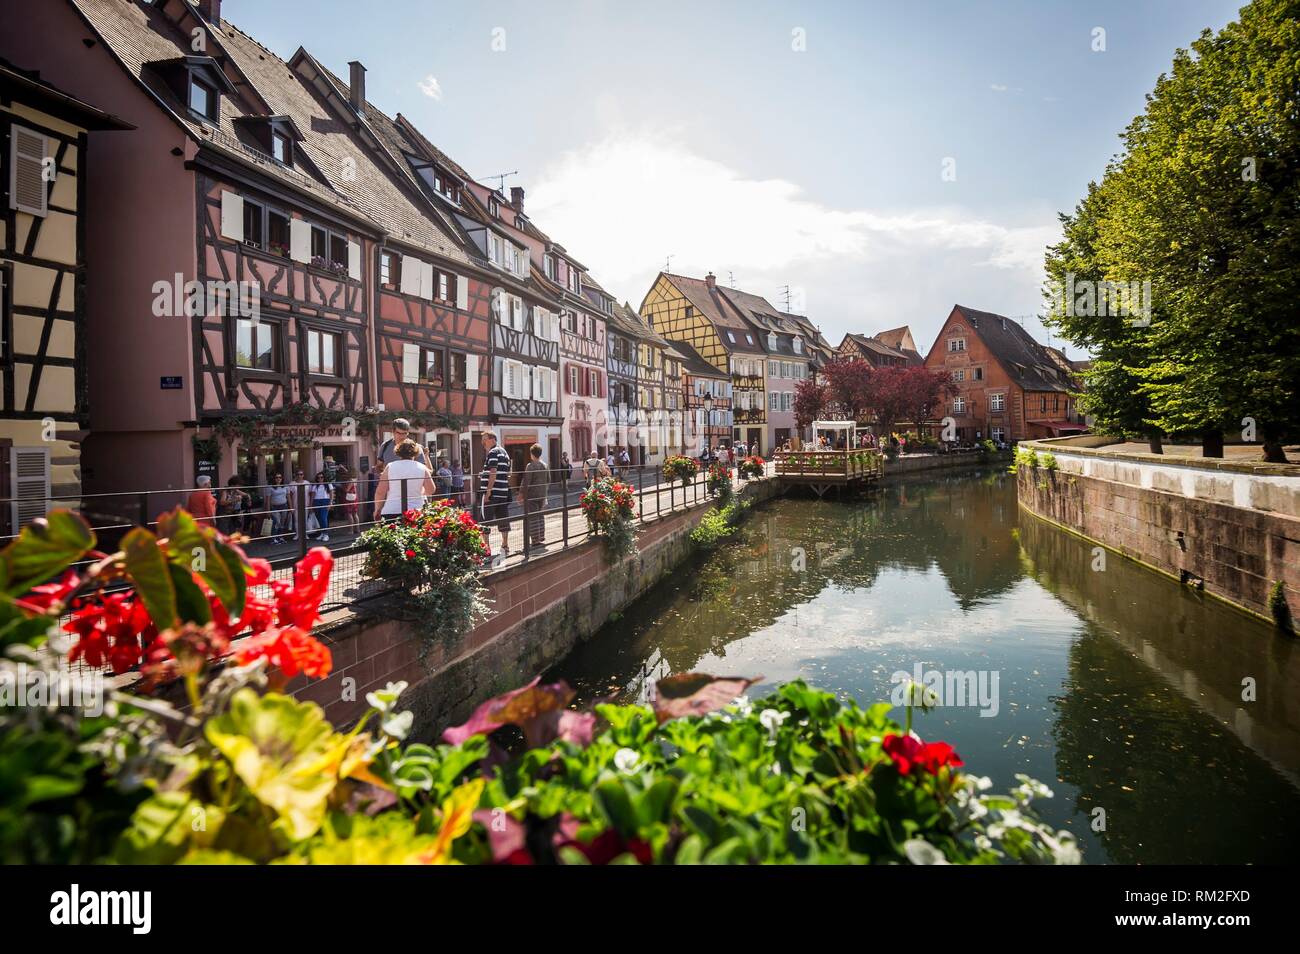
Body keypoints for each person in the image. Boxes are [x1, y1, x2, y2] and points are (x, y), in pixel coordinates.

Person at [373, 439, 436, 519]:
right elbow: (431, 490)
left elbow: (380, 492)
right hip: (416, 510)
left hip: (392, 510)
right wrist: (420, 491)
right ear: (416, 452)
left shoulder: (390, 466)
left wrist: (377, 509)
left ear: (398, 451)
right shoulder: (422, 467)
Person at [479, 432, 513, 556]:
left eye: (484, 439)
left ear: (492, 439)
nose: (483, 442)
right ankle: (505, 545)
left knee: (484, 520)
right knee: (503, 518)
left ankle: (486, 548)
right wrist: (485, 474)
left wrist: (488, 491)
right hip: (503, 491)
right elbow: (508, 473)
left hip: (492, 493)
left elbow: (493, 471)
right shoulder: (504, 452)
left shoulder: (493, 453)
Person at [518, 443, 549, 552]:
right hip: (542, 494)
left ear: (532, 454)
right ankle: (541, 536)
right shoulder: (545, 465)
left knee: (532, 518)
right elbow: (548, 480)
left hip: (532, 496)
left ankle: (535, 540)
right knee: (540, 516)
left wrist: (521, 494)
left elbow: (526, 482)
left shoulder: (530, 466)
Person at [308, 472, 333, 542]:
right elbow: (312, 496)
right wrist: (311, 505)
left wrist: (330, 503)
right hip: (316, 501)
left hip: (325, 501)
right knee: (319, 518)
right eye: (318, 477)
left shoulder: (328, 484)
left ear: (324, 477)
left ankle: (326, 534)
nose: (320, 479)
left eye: (321, 477)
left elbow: (331, 494)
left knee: (323, 517)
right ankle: (322, 533)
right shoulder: (315, 485)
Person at [266, 473, 290, 544]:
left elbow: (288, 497)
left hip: (284, 506)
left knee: (282, 523)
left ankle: (280, 537)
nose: (278, 479)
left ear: (282, 478)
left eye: (280, 477)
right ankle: (273, 538)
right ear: (274, 478)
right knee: (277, 522)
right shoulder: (270, 487)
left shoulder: (285, 487)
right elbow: (267, 500)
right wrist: (268, 511)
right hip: (274, 507)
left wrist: (291, 508)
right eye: (277, 477)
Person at [337, 469, 360, 534]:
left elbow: (347, 490)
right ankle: (357, 529)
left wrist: (341, 487)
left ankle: (351, 530)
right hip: (354, 497)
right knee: (355, 513)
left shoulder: (350, 480)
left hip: (349, 498)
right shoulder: (354, 479)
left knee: (349, 514)